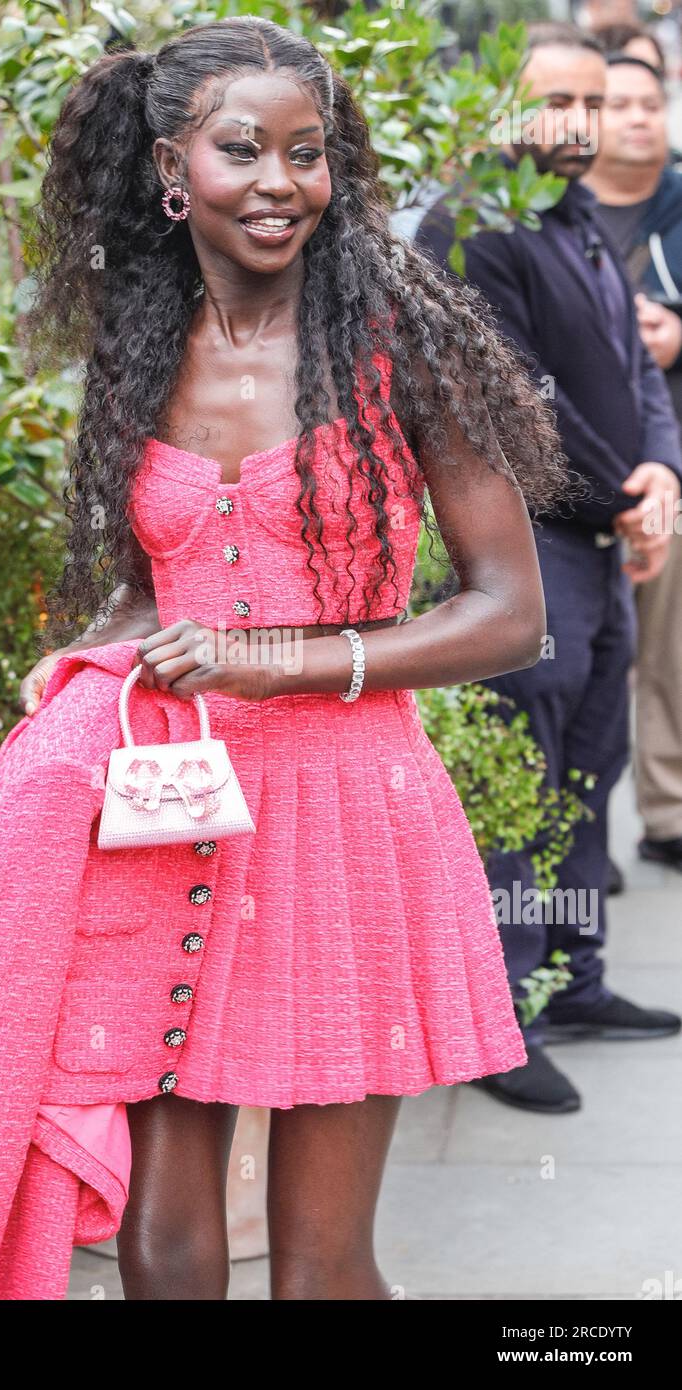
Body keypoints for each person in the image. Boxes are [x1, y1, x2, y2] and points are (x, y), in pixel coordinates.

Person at [0, 15, 569, 1301]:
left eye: (305, 154)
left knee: (318, 1269)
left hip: (344, 822)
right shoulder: (141, 348)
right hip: (164, 817)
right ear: (170, 170)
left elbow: (506, 615)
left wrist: (282, 663)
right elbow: (152, 588)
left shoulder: (398, 345)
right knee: (162, 1237)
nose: (278, 182)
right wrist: (88, 660)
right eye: (240, 150)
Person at [416, 21, 682, 1117]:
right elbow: (512, 402)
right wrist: (629, 490)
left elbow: (634, 370)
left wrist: (660, 469)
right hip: (515, 553)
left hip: (592, 542)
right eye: (555, 103)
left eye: (590, 103)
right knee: (516, 791)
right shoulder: (467, 228)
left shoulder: (574, 218)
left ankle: (569, 979)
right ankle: (497, 1020)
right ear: (500, 102)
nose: (574, 124)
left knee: (585, 773)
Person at [583, 53, 682, 875]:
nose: (638, 118)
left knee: (668, 650)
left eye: (652, 103)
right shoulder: (560, 212)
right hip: (579, 478)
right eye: (619, 104)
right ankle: (585, 839)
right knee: (587, 655)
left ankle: (668, 813)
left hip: (666, 461)